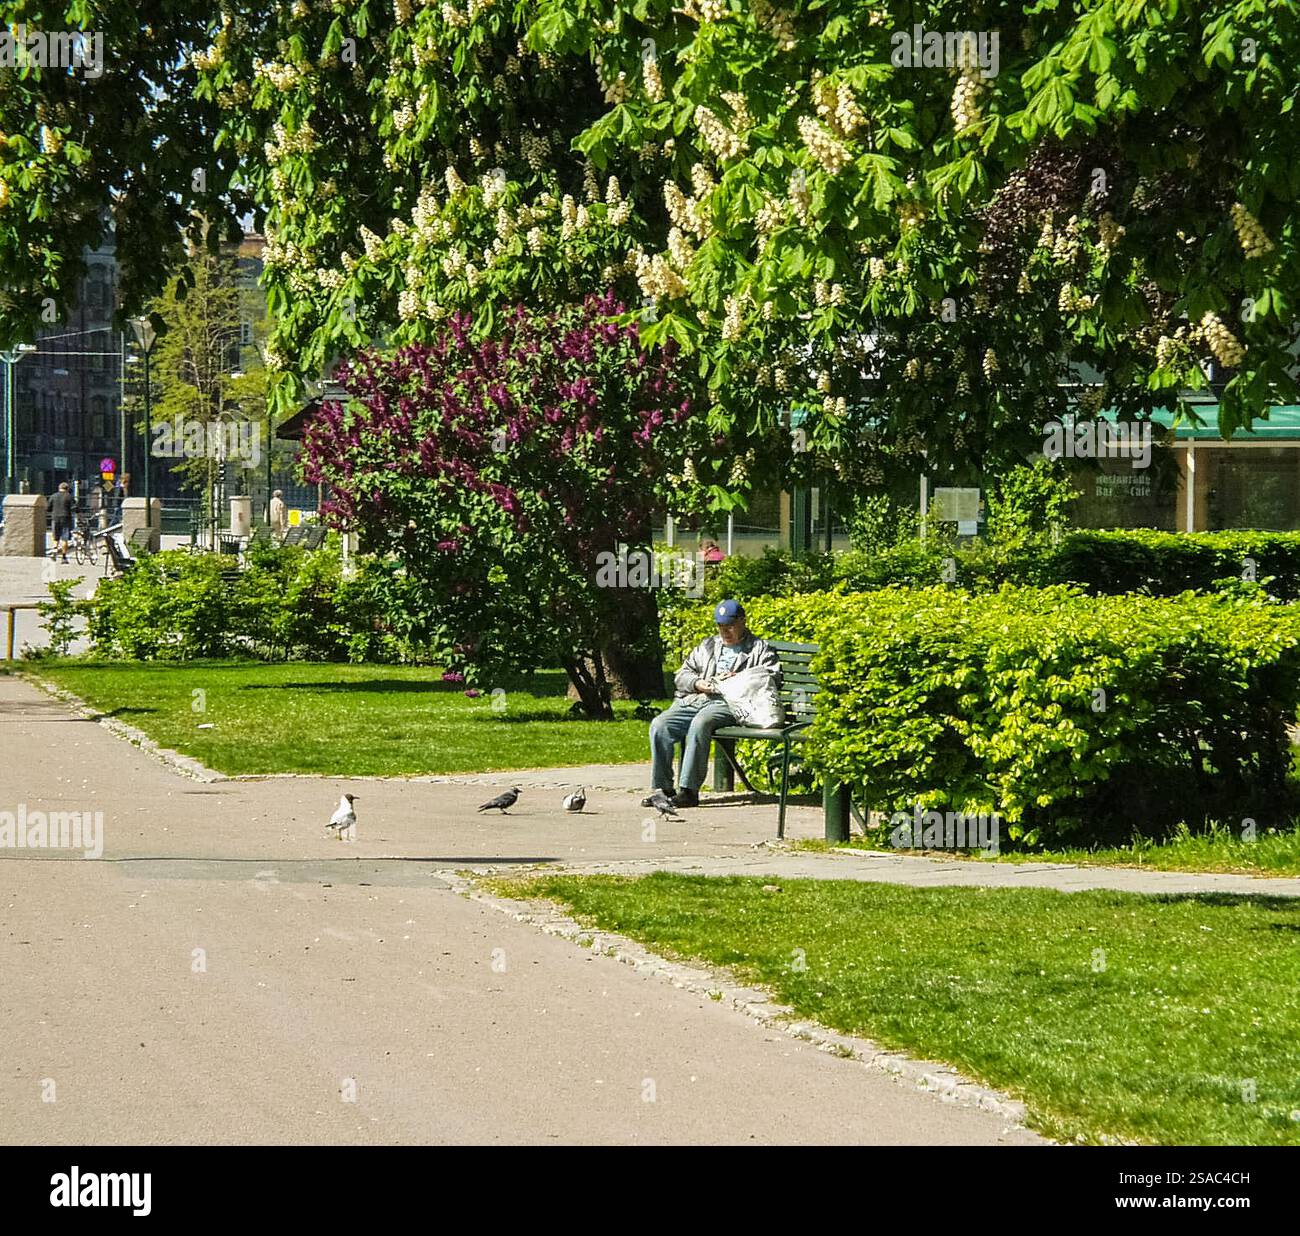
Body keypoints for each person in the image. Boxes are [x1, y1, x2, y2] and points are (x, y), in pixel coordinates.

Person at [644, 599, 780, 808]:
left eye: (730, 626)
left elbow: (771, 678)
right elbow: (682, 675)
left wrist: (739, 679)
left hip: (730, 703)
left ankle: (689, 791)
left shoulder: (759, 649)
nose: (725, 631)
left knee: (701, 723)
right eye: (720, 626)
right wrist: (698, 683)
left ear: (743, 622)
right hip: (696, 698)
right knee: (660, 725)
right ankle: (663, 789)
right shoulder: (707, 646)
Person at [48, 482, 74, 563]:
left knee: (55, 537)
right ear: (67, 489)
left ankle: (54, 552)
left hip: (55, 518)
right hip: (66, 518)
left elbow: (48, 508)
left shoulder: (53, 496)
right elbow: (74, 507)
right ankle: (64, 557)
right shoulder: (69, 496)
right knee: (64, 538)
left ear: (59, 488)